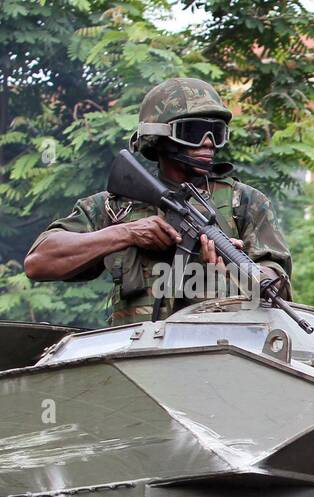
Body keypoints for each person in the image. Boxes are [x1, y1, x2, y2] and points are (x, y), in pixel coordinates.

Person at [24, 77, 292, 325]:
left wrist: (238, 269)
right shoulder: (115, 207)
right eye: (195, 131)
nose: (208, 143)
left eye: (216, 133)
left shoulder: (243, 202)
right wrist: (125, 233)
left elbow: (280, 290)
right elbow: (38, 262)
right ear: (159, 137)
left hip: (218, 357)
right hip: (135, 361)